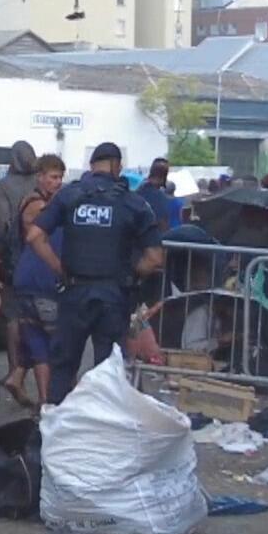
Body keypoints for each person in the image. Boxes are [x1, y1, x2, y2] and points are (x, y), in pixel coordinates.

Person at [27, 141, 165, 405]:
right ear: (116, 166)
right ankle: (103, 432)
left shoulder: (69, 195)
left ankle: (52, 430)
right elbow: (155, 257)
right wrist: (132, 274)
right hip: (113, 295)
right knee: (109, 370)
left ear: (92, 166)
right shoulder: (133, 202)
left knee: (63, 366)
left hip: (74, 291)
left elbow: (35, 236)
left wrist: (60, 269)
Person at [10, 154, 68, 407]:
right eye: (53, 177)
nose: (58, 183)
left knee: (39, 347)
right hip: (41, 279)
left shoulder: (42, 202)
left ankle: (45, 403)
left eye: (60, 178)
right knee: (54, 345)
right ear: (40, 177)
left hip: (28, 279)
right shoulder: (38, 205)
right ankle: (54, 400)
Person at [0, 142, 41, 404]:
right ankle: (27, 375)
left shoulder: (4, 186)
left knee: (12, 317)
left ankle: (15, 369)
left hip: (13, 259)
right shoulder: (41, 183)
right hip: (41, 256)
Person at [138, 159, 174, 232]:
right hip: (152, 239)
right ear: (164, 176)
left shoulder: (137, 192)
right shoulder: (159, 197)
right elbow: (162, 224)